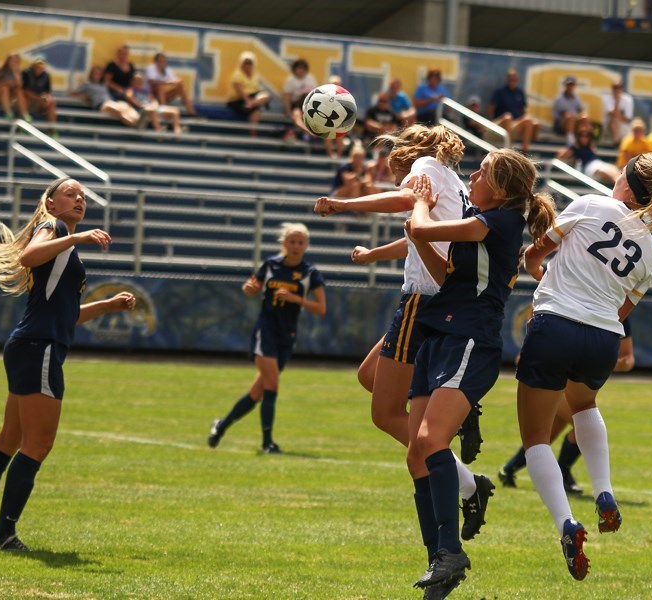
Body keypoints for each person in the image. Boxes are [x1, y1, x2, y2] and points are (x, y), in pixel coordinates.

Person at [312, 124, 496, 551]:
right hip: (440, 300)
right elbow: (419, 231)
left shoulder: (425, 165)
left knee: (389, 418)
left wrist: (343, 203)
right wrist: (375, 254)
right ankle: (462, 449)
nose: (391, 166)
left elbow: (404, 201)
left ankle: (468, 485)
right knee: (369, 375)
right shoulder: (452, 180)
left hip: (422, 300)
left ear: (407, 153)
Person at [518, 152, 652, 581]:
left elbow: (534, 254)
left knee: (535, 438)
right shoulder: (651, 250)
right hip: (602, 338)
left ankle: (566, 524)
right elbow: (621, 310)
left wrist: (540, 274)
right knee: (583, 404)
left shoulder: (590, 204)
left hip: (556, 321)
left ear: (627, 186)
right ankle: (604, 491)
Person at [404, 151, 556, 597]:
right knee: (417, 455)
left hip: (469, 339)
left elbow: (422, 224)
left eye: (483, 171)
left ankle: (451, 551)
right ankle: (439, 561)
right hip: (439, 335)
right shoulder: (483, 218)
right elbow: (444, 271)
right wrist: (419, 236)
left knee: (432, 441)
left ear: (502, 189)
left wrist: (420, 203)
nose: (473, 174)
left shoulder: (503, 221)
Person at [0, 178, 136, 550]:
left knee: (9, 438)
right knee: (37, 443)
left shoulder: (65, 247)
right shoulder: (55, 228)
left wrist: (107, 305)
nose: (79, 199)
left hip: (32, 344)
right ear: (50, 202)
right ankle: (4, 531)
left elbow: (66, 314)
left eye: (83, 196)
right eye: (71, 193)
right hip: (39, 347)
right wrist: (77, 237)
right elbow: (28, 256)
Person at [207, 223, 326, 453]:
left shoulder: (310, 273)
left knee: (256, 394)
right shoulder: (271, 265)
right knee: (272, 384)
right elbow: (250, 287)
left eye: (300, 242)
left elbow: (321, 308)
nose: (296, 246)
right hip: (266, 331)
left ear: (306, 245)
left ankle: (221, 425)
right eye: (292, 241)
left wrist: (296, 299)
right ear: (284, 243)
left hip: (287, 335)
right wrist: (249, 288)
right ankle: (267, 443)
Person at [498, 319, 635, 492]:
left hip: (576, 384)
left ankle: (509, 469)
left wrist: (616, 362)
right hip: (550, 376)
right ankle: (563, 473)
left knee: (546, 433)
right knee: (582, 425)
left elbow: (628, 357)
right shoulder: (563, 297)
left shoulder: (617, 308)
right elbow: (537, 324)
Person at [488, 69, 540, 153]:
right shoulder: (500, 92)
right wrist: (491, 122)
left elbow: (523, 111)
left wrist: (527, 118)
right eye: (511, 79)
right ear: (507, 80)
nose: (513, 82)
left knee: (530, 121)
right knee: (507, 117)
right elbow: (490, 109)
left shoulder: (520, 93)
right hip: (501, 123)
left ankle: (525, 152)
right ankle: (509, 149)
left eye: (515, 80)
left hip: (514, 124)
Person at [72, 66, 141, 128]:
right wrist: (85, 97)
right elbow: (74, 93)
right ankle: (134, 124)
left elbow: (114, 86)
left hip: (110, 101)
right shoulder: (87, 84)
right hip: (101, 105)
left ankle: (138, 119)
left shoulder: (103, 84)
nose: (97, 75)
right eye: (95, 73)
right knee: (118, 110)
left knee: (125, 105)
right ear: (91, 74)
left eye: (99, 74)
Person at [226, 51, 271, 136]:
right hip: (237, 100)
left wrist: (253, 101)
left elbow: (257, 90)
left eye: (250, 63)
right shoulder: (237, 74)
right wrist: (247, 100)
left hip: (251, 100)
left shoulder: (255, 75)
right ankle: (253, 130)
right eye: (246, 63)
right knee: (256, 109)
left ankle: (253, 129)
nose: (248, 65)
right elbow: (239, 91)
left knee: (264, 97)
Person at [0, 52, 31, 121]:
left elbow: (20, 86)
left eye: (17, 61)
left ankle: (24, 114)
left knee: (19, 91)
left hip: (7, 99)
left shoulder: (17, 72)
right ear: (8, 61)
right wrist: (6, 83)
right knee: (4, 89)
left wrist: (16, 73)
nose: (14, 63)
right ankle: (9, 113)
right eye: (13, 61)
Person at [20, 56, 57, 135]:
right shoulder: (25, 73)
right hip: (26, 101)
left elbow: (48, 93)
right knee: (23, 100)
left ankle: (52, 129)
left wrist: (46, 99)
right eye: (37, 66)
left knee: (52, 102)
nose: (39, 68)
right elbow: (24, 91)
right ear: (33, 65)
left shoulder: (46, 76)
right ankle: (22, 127)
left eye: (41, 66)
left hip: (37, 102)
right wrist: (39, 98)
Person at [103, 44, 141, 110]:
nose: (123, 55)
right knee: (127, 97)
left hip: (128, 91)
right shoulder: (111, 65)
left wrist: (129, 89)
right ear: (118, 53)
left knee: (134, 95)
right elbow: (107, 81)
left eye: (125, 53)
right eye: (122, 53)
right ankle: (139, 107)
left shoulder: (131, 65)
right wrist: (119, 89)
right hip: (114, 91)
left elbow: (132, 81)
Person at [552, 75, 584, 143]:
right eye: (569, 85)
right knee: (569, 117)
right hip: (560, 125)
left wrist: (582, 116)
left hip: (573, 122)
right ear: (565, 85)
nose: (570, 87)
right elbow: (564, 114)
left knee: (584, 117)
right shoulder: (559, 99)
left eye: (572, 85)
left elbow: (581, 110)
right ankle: (570, 140)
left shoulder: (576, 98)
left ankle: (587, 139)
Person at [602, 79, 634, 146]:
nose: (617, 90)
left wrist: (617, 101)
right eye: (615, 87)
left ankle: (616, 142)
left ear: (622, 88)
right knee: (614, 121)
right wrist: (617, 102)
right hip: (609, 127)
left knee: (616, 120)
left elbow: (627, 118)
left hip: (624, 126)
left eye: (619, 87)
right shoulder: (607, 98)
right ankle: (616, 143)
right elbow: (611, 114)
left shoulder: (628, 99)